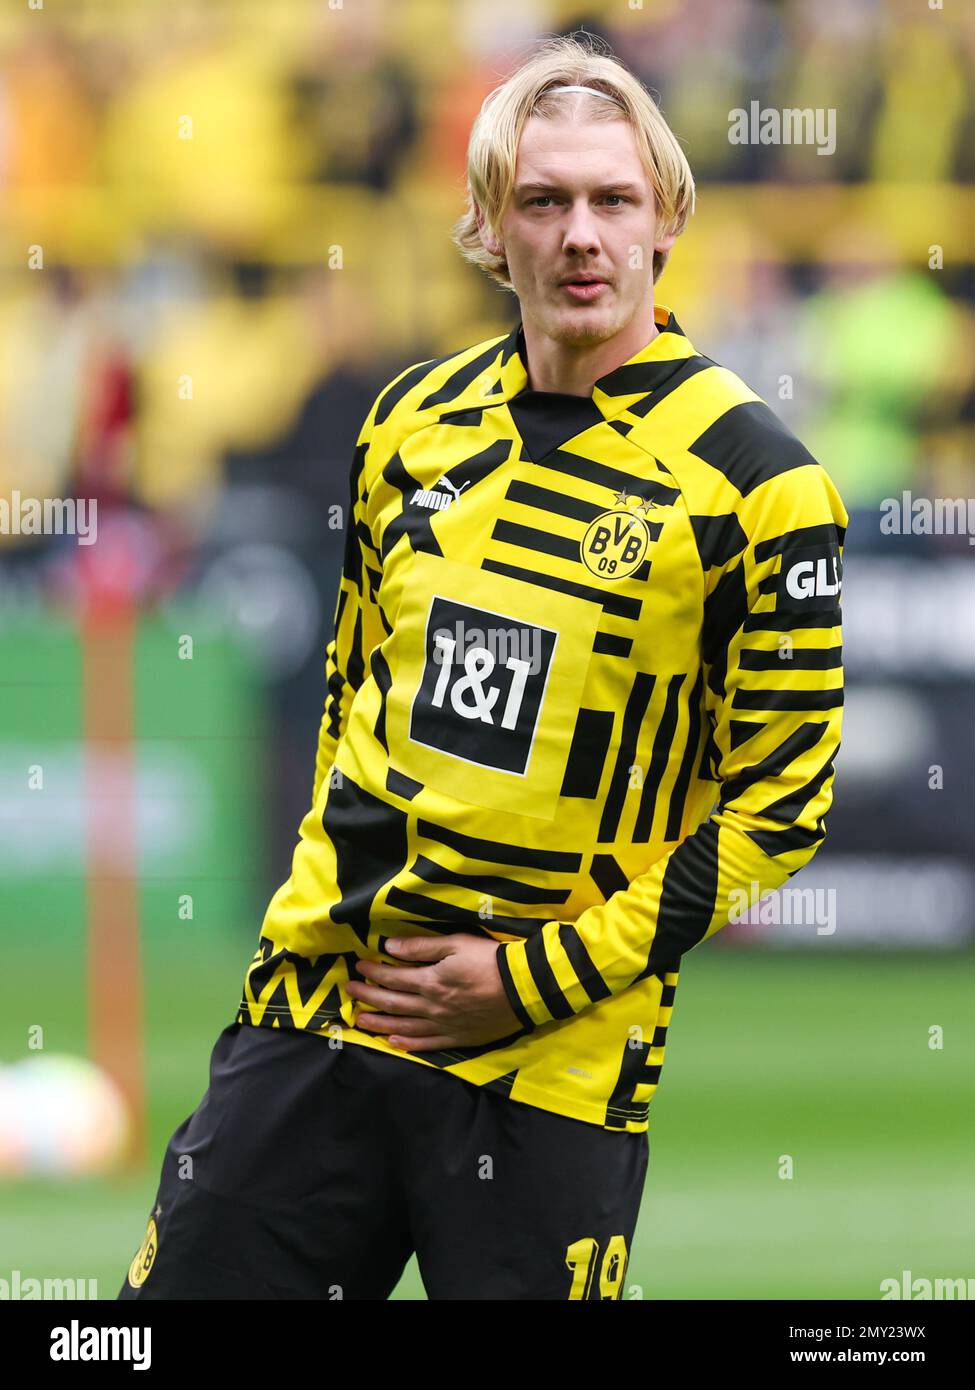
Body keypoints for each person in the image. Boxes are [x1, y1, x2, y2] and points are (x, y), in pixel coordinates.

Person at [118, 32, 847, 1301]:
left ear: (666, 220)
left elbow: (782, 808)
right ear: (484, 226)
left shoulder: (758, 483)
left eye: (614, 201)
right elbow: (357, 702)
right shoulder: (407, 420)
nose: (581, 236)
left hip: (552, 1072)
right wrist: (320, 927)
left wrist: (524, 979)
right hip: (320, 1017)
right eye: (544, 201)